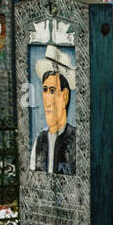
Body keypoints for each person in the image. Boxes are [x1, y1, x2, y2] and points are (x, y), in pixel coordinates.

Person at [31, 46, 76, 174]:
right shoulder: (40, 140)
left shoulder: (75, 139)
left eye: (52, 90)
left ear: (65, 96)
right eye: (45, 90)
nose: (47, 100)